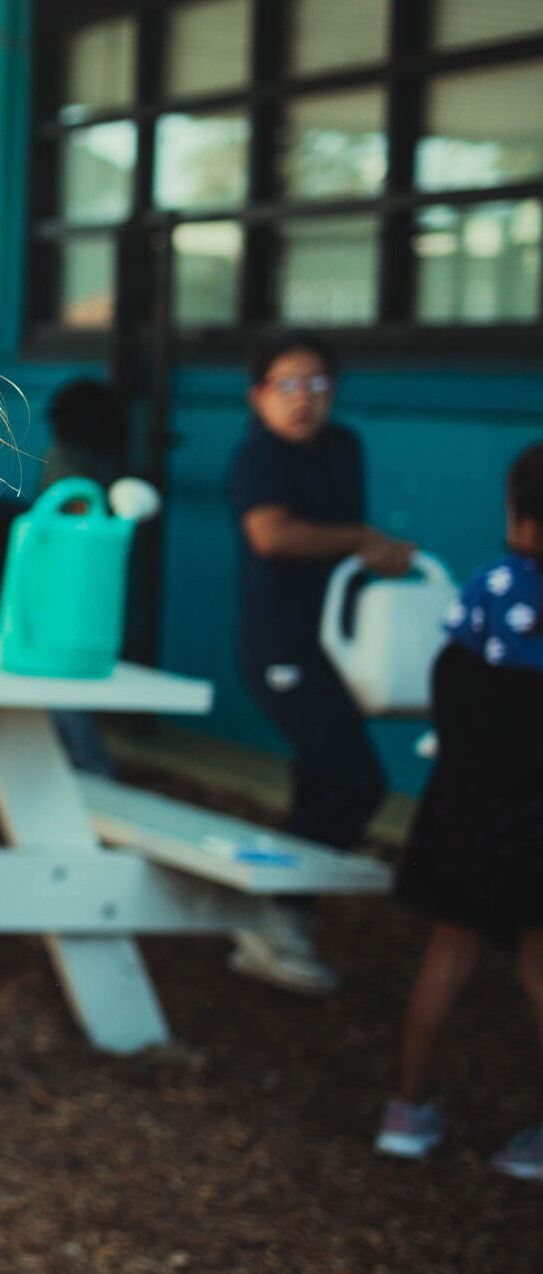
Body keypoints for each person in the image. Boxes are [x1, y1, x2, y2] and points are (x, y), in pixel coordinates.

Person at [223, 335, 414, 995]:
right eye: (287, 386)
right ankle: (272, 913)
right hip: (280, 646)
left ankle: (277, 925)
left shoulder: (344, 446)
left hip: (336, 641)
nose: (303, 401)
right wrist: (362, 539)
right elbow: (270, 534)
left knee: (319, 780)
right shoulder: (258, 455)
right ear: (259, 396)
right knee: (356, 779)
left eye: (317, 386)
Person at [375, 441, 543, 1178]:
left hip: (471, 808)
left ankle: (405, 1110)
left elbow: (449, 688)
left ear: (518, 515)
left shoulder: (489, 587)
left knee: (448, 954)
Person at [40, 377, 131, 778]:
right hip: (60, 579)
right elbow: (78, 513)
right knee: (62, 674)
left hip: (87, 581)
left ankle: (82, 759)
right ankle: (84, 762)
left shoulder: (105, 460)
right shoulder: (65, 460)